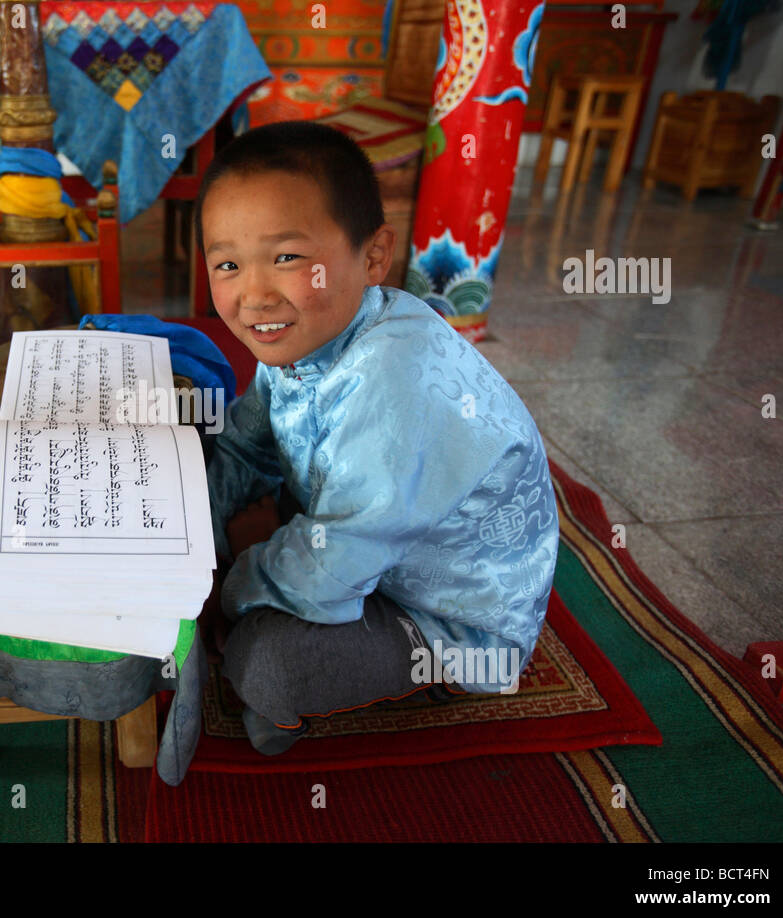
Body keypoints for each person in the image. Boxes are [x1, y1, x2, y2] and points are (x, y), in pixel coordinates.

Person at [197, 121, 559, 755]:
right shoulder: (301, 335)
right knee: (206, 493)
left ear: (372, 256)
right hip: (361, 535)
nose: (253, 294)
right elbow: (241, 445)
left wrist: (231, 581)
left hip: (449, 617)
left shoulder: (391, 377)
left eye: (286, 257)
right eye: (228, 264)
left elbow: (331, 564)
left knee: (268, 664)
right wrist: (189, 531)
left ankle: (375, 686)